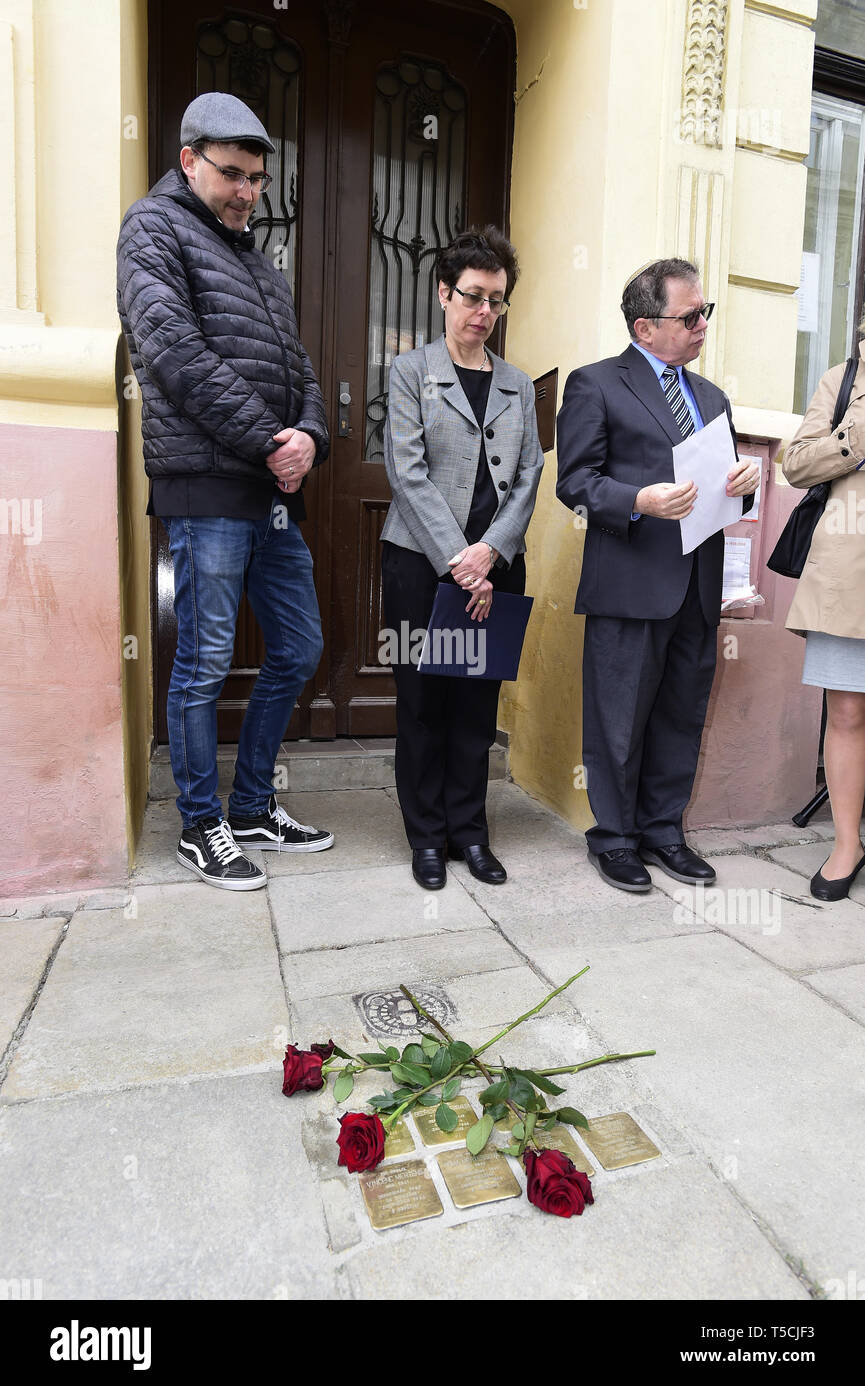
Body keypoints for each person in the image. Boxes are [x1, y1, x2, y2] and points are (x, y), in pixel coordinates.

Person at [117, 92, 333, 890]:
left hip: (271, 488)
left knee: (300, 646)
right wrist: (271, 441)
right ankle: (199, 823)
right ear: (187, 160)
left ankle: (250, 806)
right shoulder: (152, 227)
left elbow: (300, 370)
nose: (247, 192)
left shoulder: (258, 262)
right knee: (204, 661)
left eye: (257, 179)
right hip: (207, 485)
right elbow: (172, 351)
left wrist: (309, 433)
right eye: (231, 174)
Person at [556, 258, 758, 893]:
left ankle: (663, 831)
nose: (702, 326)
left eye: (706, 313)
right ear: (644, 327)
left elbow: (721, 488)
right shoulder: (595, 384)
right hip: (630, 579)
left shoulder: (712, 397)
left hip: (697, 583)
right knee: (619, 719)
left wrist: (745, 489)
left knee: (679, 712)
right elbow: (574, 483)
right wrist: (637, 501)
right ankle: (613, 838)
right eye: (690, 316)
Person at [380, 227, 544, 890]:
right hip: (421, 564)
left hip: (495, 566)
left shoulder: (518, 384)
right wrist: (457, 559)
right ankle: (426, 838)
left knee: (476, 708)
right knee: (422, 704)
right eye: (472, 296)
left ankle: (469, 833)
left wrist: (489, 553)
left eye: (495, 301)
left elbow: (530, 474)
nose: (483, 312)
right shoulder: (409, 372)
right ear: (443, 293)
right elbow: (405, 470)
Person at [783, 325, 865, 900]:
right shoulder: (842, 383)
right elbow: (796, 465)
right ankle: (846, 844)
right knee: (848, 713)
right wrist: (854, 437)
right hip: (848, 576)